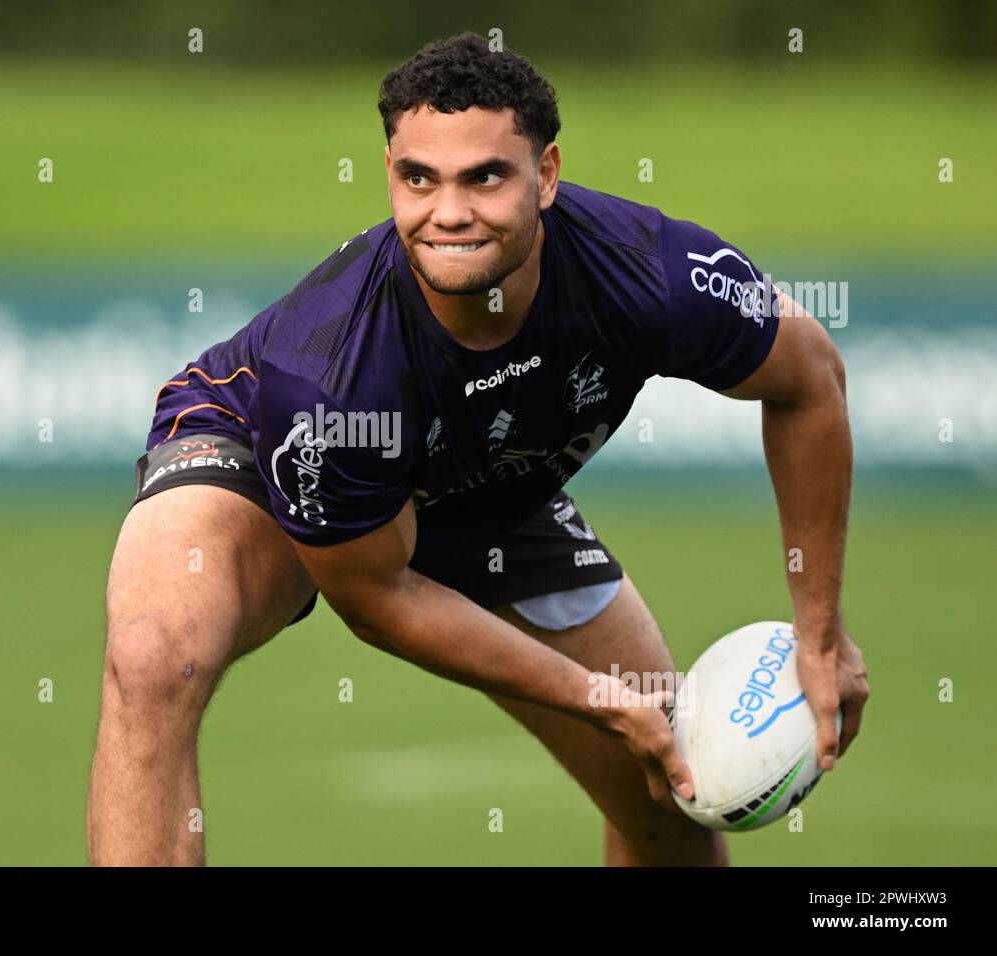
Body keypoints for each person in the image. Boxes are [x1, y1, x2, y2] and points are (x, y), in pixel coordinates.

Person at [87, 31, 869, 866]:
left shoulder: (655, 273)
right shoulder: (328, 377)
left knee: (672, 794)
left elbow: (809, 380)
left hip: (492, 495)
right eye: (417, 178)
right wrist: (589, 696)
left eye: (485, 176)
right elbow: (379, 596)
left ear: (549, 175)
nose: (448, 212)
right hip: (257, 448)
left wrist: (819, 634)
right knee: (152, 657)